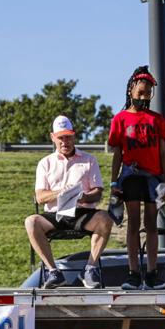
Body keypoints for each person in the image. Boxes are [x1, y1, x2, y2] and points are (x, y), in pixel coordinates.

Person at [26, 115, 114, 289]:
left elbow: (97, 192)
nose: (65, 141)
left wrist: (82, 196)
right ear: (53, 137)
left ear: (74, 136)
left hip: (81, 212)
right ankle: (53, 272)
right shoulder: (45, 163)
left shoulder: (89, 160)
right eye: (61, 138)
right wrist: (63, 192)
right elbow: (40, 196)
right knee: (31, 221)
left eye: (68, 137)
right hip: (55, 214)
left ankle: (90, 268)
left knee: (105, 218)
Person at [107, 66, 165, 290]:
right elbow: (117, 153)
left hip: (153, 177)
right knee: (133, 222)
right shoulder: (120, 119)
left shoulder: (157, 119)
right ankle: (133, 272)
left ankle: (152, 273)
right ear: (131, 91)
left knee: (151, 224)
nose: (144, 97)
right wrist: (114, 182)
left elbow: (163, 153)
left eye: (148, 93)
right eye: (140, 92)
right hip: (131, 176)